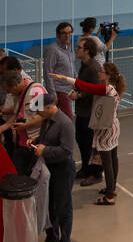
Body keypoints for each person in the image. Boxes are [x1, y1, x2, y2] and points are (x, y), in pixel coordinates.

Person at [53, 61, 124, 206]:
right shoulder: (113, 88)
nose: (99, 73)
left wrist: (65, 78)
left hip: (106, 128)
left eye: (102, 72)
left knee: (107, 161)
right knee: (113, 157)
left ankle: (109, 196)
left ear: (108, 75)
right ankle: (112, 188)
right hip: (114, 125)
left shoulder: (106, 89)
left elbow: (86, 87)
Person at [35, 102, 76, 242]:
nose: (38, 114)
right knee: (50, 204)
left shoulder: (65, 124)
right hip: (50, 170)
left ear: (49, 107)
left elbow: (66, 151)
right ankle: (52, 238)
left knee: (63, 207)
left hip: (63, 171)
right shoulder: (47, 120)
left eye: (39, 110)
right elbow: (45, 139)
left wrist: (45, 150)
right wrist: (35, 141)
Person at [68, 38, 105, 184]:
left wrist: (80, 95)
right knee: (82, 141)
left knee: (91, 144)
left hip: (90, 113)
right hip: (83, 112)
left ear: (87, 51)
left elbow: (95, 90)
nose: (76, 49)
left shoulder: (93, 68)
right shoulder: (84, 65)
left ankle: (95, 174)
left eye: (79, 47)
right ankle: (85, 168)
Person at [44, 22, 77, 119]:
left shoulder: (69, 47)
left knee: (62, 120)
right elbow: (47, 72)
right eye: (64, 33)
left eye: (70, 32)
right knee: (69, 119)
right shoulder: (53, 49)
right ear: (58, 35)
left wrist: (78, 83)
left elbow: (72, 67)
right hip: (60, 91)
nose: (67, 36)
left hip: (69, 90)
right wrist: (53, 94)